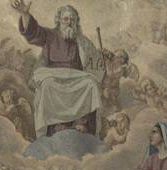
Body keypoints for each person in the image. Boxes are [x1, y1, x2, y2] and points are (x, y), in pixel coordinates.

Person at [12, 1, 103, 136]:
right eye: (66, 19)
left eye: (72, 19)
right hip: (54, 76)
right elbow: (33, 33)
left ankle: (82, 124)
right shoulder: (50, 35)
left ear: (76, 22)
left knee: (90, 84)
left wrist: (102, 55)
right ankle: (56, 127)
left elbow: (94, 59)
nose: (69, 22)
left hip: (76, 78)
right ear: (59, 20)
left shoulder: (81, 40)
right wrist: (25, 14)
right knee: (48, 85)